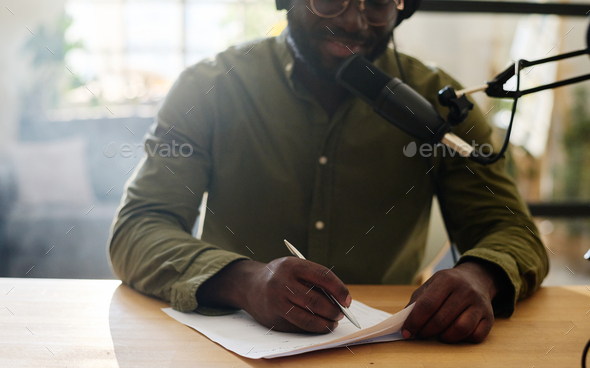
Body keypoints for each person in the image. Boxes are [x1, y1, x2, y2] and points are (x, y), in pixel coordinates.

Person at [108, 0, 548, 343]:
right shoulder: (210, 88)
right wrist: (244, 281)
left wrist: (479, 275)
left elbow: (513, 233)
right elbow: (138, 228)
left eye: (376, 3)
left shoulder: (438, 105)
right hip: (230, 353)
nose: (355, 22)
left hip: (392, 352)